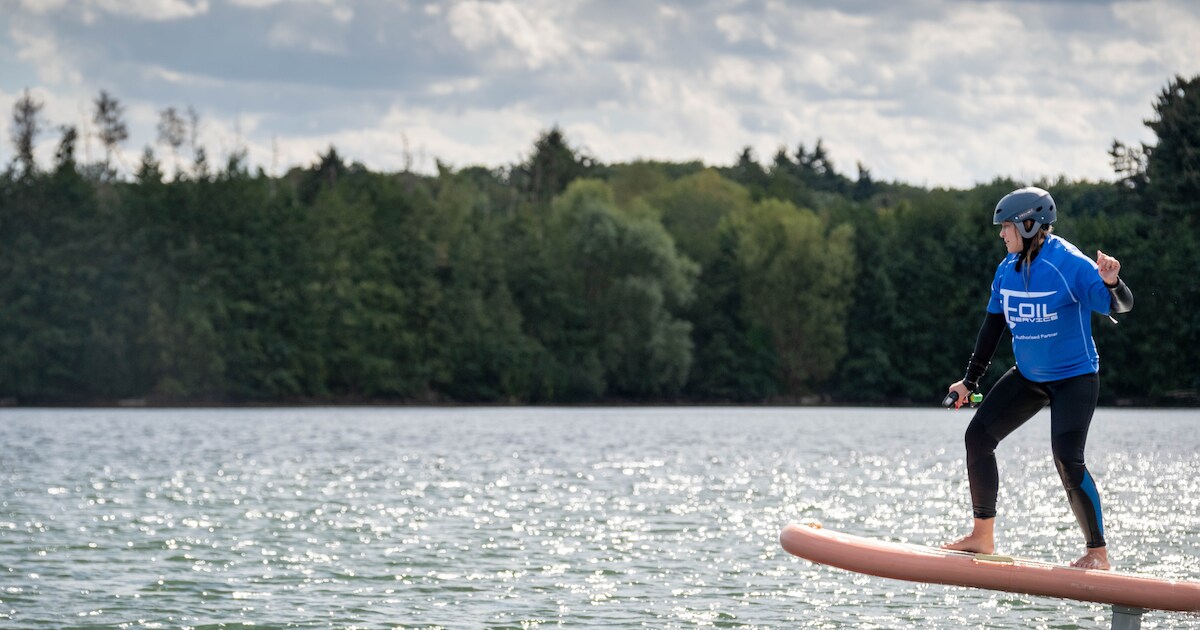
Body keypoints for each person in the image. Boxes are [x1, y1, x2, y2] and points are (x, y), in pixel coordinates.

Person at [942, 186, 1134, 570]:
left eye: (1006, 227)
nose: (1001, 234)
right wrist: (970, 381)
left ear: (1030, 225)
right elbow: (991, 329)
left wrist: (1113, 282)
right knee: (978, 437)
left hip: (1075, 378)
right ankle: (982, 536)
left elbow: (1122, 305)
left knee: (1067, 458)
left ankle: (1098, 553)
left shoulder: (1069, 264)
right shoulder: (1006, 271)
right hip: (1029, 376)